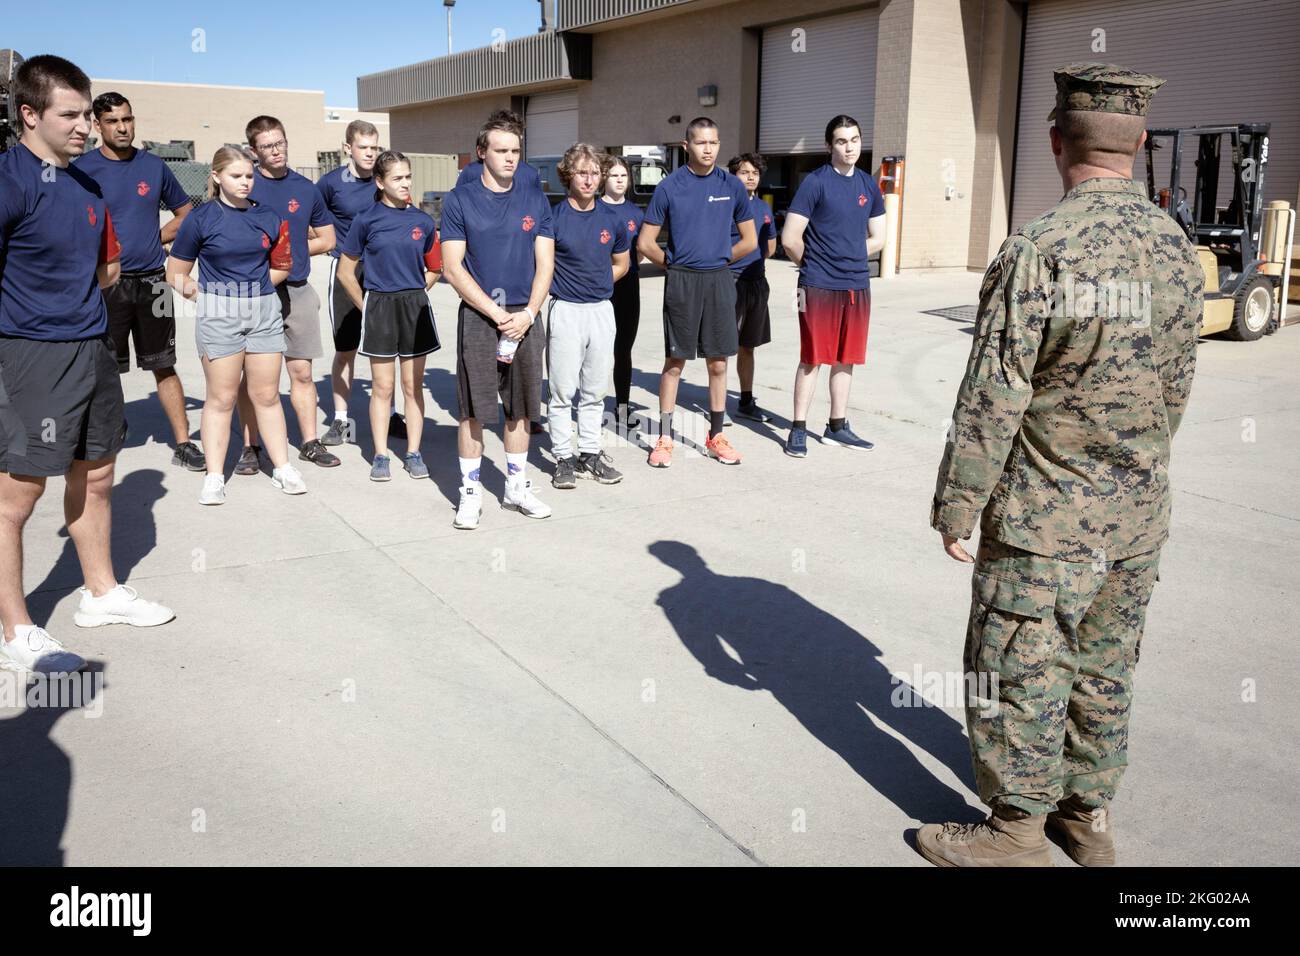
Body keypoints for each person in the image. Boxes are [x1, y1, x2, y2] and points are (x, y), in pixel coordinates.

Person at [917, 64, 1201, 867]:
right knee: (1107, 666)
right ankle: (1088, 816)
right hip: (1137, 517)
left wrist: (957, 504)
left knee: (1021, 667)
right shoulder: (1179, 252)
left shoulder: (1040, 249)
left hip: (1046, 519)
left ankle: (1015, 833)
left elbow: (992, 396)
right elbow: (1174, 391)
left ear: (1054, 142)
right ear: (1140, 145)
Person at [0, 55, 174, 676]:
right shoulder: (10, 181)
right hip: (30, 354)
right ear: (29, 114)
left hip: (93, 346)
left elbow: (107, 267)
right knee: (16, 499)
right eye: (69, 115)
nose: (84, 126)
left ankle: (101, 595)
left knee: (97, 475)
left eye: (86, 112)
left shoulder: (87, 185)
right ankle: (15, 629)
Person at [166, 146, 308, 505]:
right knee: (222, 398)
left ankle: (282, 467)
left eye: (249, 176)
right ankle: (214, 477)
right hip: (218, 315)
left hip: (263, 312)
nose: (245, 182)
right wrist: (208, 299)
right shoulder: (200, 220)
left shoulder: (271, 217)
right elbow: (176, 273)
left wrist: (254, 292)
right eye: (236, 176)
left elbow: (282, 266)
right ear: (216, 177)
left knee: (267, 395)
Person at [75, 92, 204, 470]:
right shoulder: (82, 169)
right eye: (113, 121)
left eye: (127, 119)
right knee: (104, 367)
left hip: (153, 283)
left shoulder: (154, 166)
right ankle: (106, 432)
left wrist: (156, 237)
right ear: (97, 125)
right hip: (105, 285)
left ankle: (183, 443)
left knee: (163, 364)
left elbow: (186, 214)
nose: (123, 127)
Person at [439, 110, 555, 528]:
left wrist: (527, 313)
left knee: (521, 409)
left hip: (526, 318)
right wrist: (496, 312)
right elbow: (453, 268)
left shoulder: (536, 199)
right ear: (481, 153)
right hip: (480, 319)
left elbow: (546, 263)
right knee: (473, 410)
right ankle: (470, 492)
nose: (510, 158)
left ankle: (515, 487)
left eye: (516, 151)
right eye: (501, 150)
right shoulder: (459, 200)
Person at [637, 117, 756, 468]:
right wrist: (674, 267)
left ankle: (715, 435)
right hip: (682, 282)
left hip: (719, 281)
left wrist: (718, 260)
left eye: (715, 143)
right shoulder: (670, 187)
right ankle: (665, 437)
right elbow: (645, 242)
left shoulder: (732, 186)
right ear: (686, 145)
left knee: (718, 363)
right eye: (702, 143)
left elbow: (749, 241)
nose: (709, 149)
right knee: (676, 362)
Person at [236, 115, 339, 474]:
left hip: (297, 291)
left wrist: (291, 253)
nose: (276, 150)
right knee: (253, 379)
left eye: (279, 142)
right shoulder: (246, 186)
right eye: (267, 146)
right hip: (256, 295)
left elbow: (327, 239)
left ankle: (310, 442)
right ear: (254, 151)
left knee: (303, 373)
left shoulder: (305, 188)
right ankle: (250, 448)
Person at [780, 115, 886, 457]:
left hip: (856, 284)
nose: (849, 146)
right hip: (816, 287)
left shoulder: (869, 185)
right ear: (830, 146)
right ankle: (798, 428)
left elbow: (879, 238)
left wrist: (848, 255)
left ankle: (836, 426)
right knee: (812, 358)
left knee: (846, 358)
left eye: (854, 139)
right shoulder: (815, 183)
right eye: (841, 141)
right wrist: (815, 266)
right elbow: (790, 239)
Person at [335, 150, 442, 481]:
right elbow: (345, 272)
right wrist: (366, 304)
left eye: (408, 176)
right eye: (397, 178)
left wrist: (415, 292)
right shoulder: (365, 220)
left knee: (413, 387)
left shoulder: (423, 221)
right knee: (383, 387)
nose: (405, 183)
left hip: (414, 308)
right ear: (380, 182)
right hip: (378, 306)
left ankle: (413, 452)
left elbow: (436, 268)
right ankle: (380, 455)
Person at [317, 120, 409, 446]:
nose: (370, 153)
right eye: (363, 147)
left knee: (387, 348)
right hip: (345, 272)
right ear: (348, 149)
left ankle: (393, 413)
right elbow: (314, 222)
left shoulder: (385, 181)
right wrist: (326, 244)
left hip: (383, 273)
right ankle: (341, 421)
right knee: (346, 348)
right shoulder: (330, 184)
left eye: (374, 147)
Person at [545, 143, 630, 490]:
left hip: (601, 311)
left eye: (595, 172)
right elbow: (542, 265)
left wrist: (597, 282)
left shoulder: (613, 219)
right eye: (582, 172)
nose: (590, 179)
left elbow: (622, 264)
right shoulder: (553, 217)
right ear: (568, 175)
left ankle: (590, 453)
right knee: (563, 392)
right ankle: (563, 458)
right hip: (565, 310)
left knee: (594, 391)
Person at [725, 152, 777, 424]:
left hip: (757, 282)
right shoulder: (725, 206)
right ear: (734, 175)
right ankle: (716, 409)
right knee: (721, 347)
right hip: (730, 282)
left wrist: (754, 264)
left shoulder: (764, 208)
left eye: (755, 172)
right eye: (745, 172)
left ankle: (745, 401)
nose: (751, 176)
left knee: (749, 346)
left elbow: (769, 247)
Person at [599, 154, 645, 437]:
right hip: (598, 287)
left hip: (628, 285)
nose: (619, 180)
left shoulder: (636, 213)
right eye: (614, 175)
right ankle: (590, 407)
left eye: (623, 176)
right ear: (604, 178)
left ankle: (623, 407)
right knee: (594, 351)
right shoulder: (593, 209)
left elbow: (639, 252)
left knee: (623, 349)